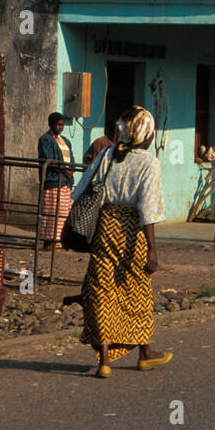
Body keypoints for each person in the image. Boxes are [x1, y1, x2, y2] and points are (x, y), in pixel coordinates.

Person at [79, 105, 172, 377]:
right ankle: (145, 353)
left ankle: (105, 361)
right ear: (146, 134)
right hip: (132, 233)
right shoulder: (148, 162)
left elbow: (83, 188)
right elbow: (149, 209)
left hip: (104, 228)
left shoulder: (107, 154)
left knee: (102, 290)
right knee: (137, 291)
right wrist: (153, 250)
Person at [38, 113, 74, 248]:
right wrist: (63, 169)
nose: (60, 127)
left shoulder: (66, 141)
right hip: (53, 180)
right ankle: (49, 241)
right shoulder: (45, 139)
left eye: (62, 125)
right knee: (52, 211)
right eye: (58, 124)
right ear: (51, 125)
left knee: (63, 212)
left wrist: (71, 170)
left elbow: (71, 158)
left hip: (65, 181)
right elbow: (49, 158)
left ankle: (59, 241)